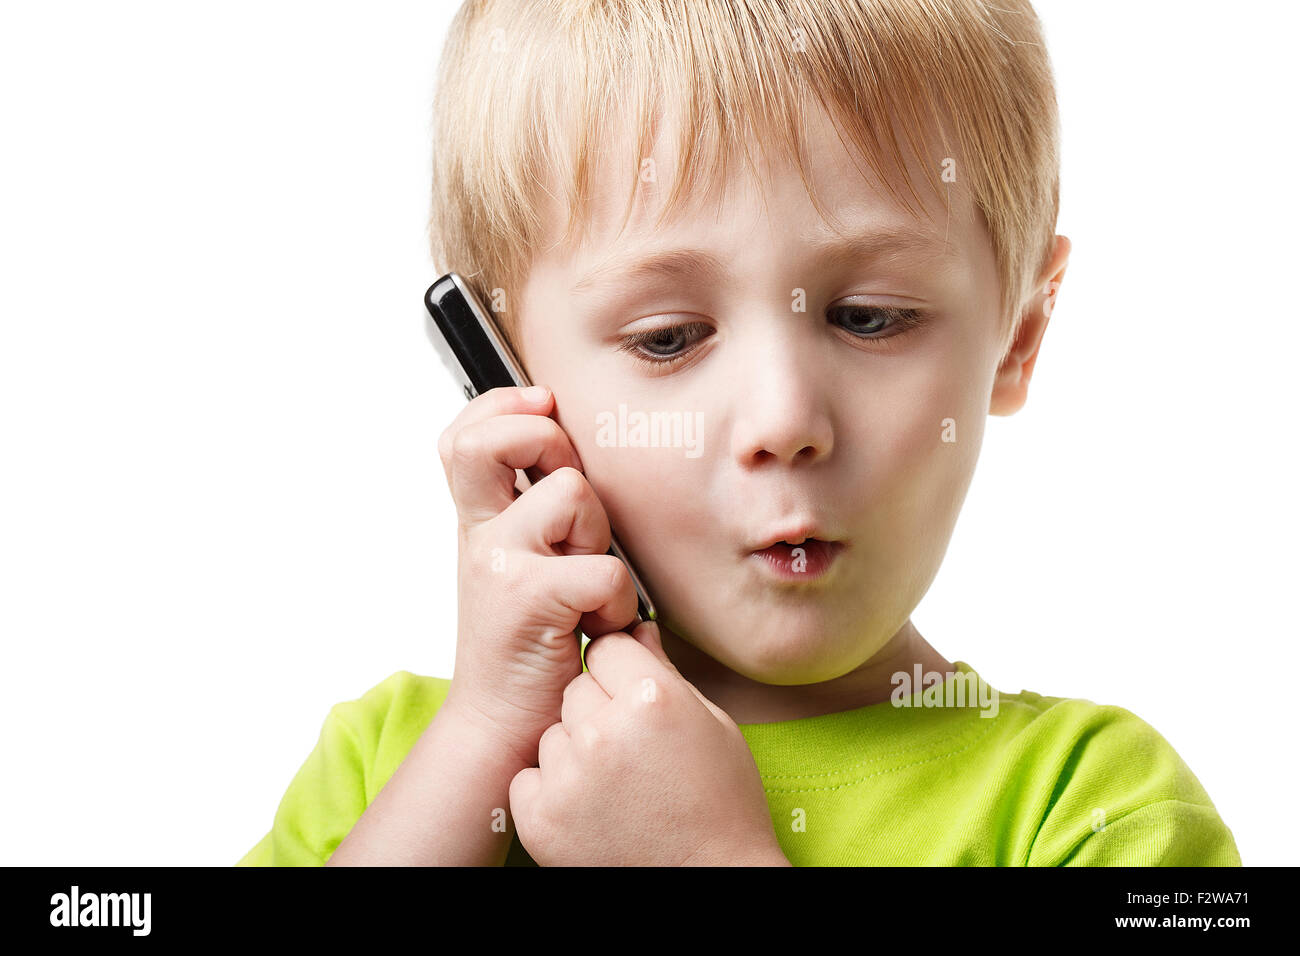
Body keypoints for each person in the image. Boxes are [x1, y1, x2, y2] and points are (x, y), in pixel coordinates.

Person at [238, 0, 1240, 866]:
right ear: (507, 370)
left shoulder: (1096, 809)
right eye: (667, 338)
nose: (783, 422)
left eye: (870, 317)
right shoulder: (396, 766)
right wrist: (483, 742)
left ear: (1016, 337)